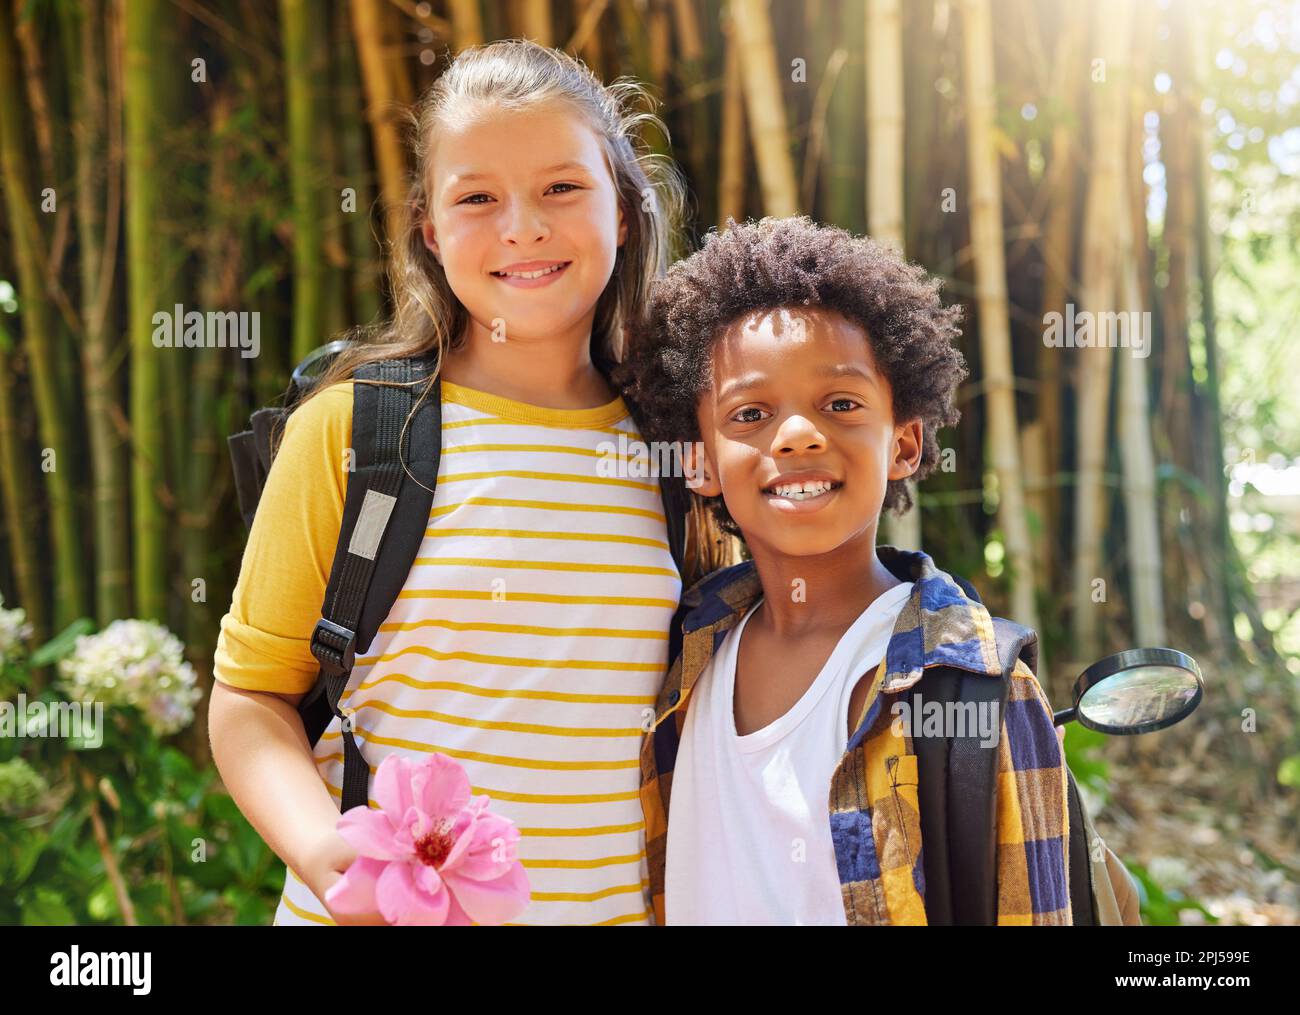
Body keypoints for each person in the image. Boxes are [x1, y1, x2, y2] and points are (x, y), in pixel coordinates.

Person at [208, 39, 694, 926]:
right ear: (431, 232)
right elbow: (249, 696)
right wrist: (328, 857)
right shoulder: (355, 431)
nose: (522, 227)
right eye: (477, 198)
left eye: (562, 188)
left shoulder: (680, 446)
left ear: (624, 211)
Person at [621, 216, 1072, 925]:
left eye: (840, 404)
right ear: (700, 460)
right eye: (751, 412)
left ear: (905, 443)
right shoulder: (686, 660)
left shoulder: (973, 686)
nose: (798, 433)